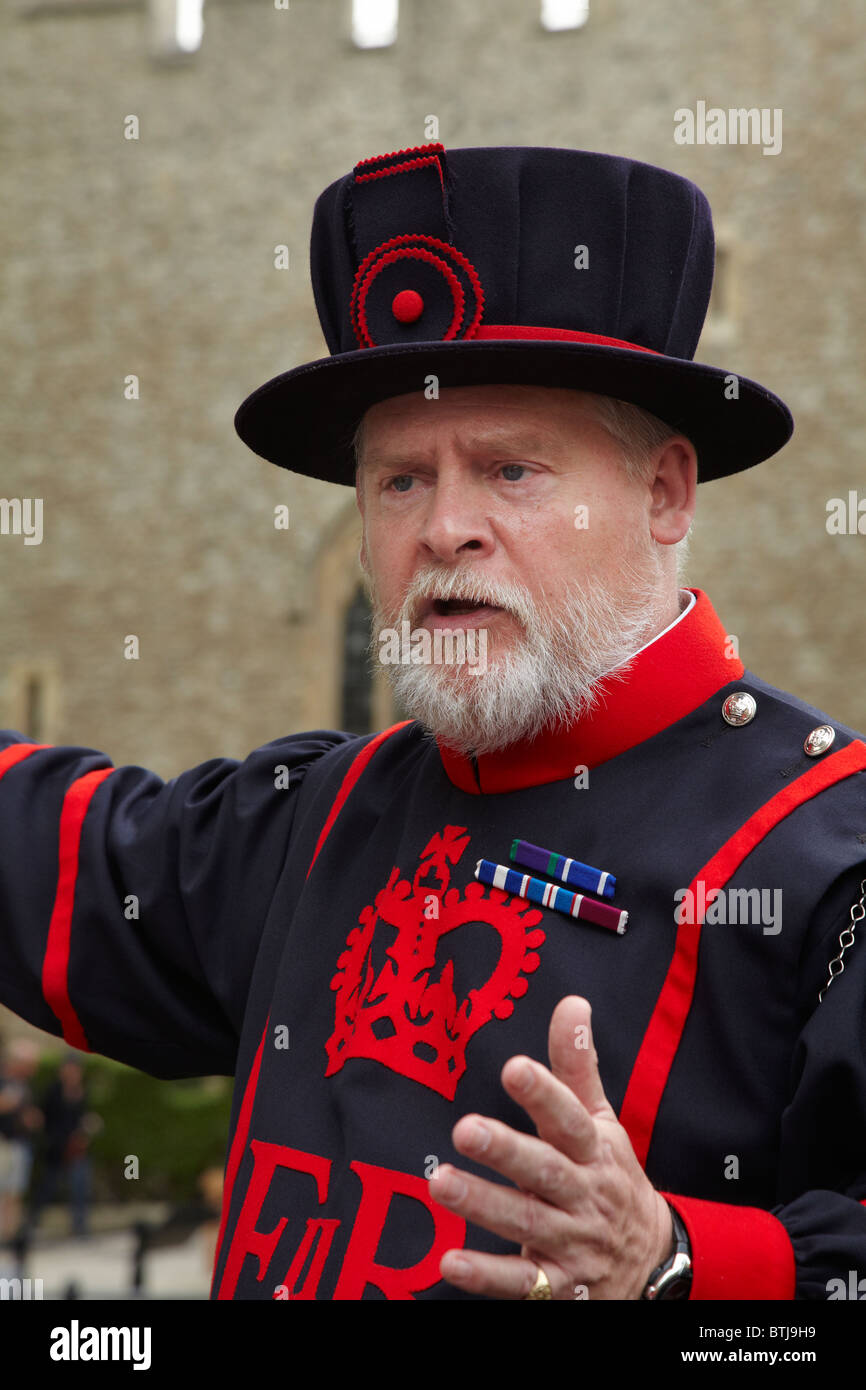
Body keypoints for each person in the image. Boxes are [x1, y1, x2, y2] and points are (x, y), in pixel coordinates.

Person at [1, 141, 864, 1301]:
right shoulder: (313, 818)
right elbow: (53, 855)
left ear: (663, 492)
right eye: (401, 480)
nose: (443, 526)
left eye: (509, 471)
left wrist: (674, 1265)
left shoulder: (829, 864)